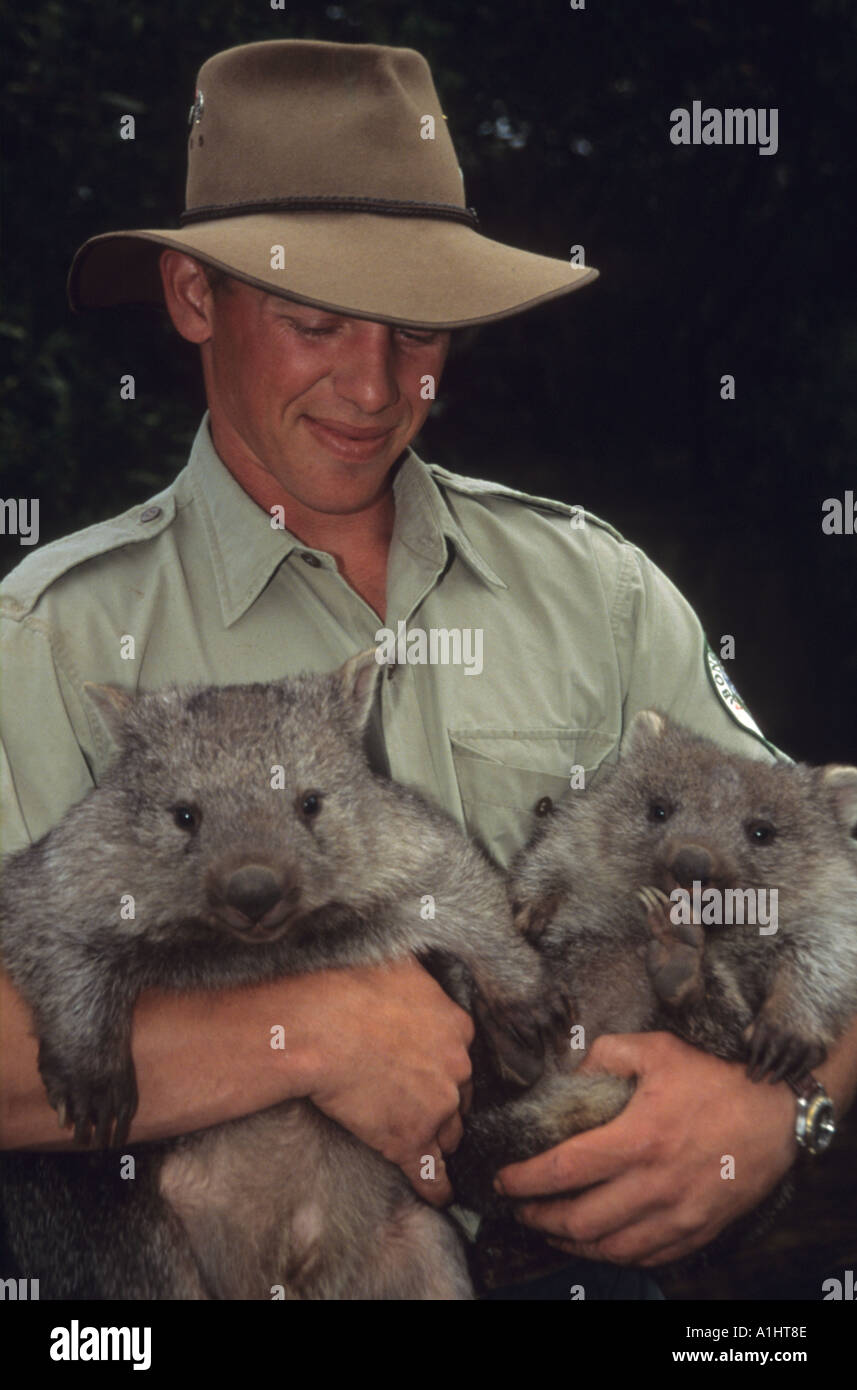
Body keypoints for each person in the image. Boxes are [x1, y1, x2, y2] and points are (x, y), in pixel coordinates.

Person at [1, 37, 855, 1297]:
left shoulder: (590, 591)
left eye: (419, 332)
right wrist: (312, 1031)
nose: (375, 383)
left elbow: (831, 884)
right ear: (193, 299)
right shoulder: (55, 631)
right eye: (314, 322)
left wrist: (785, 1116)